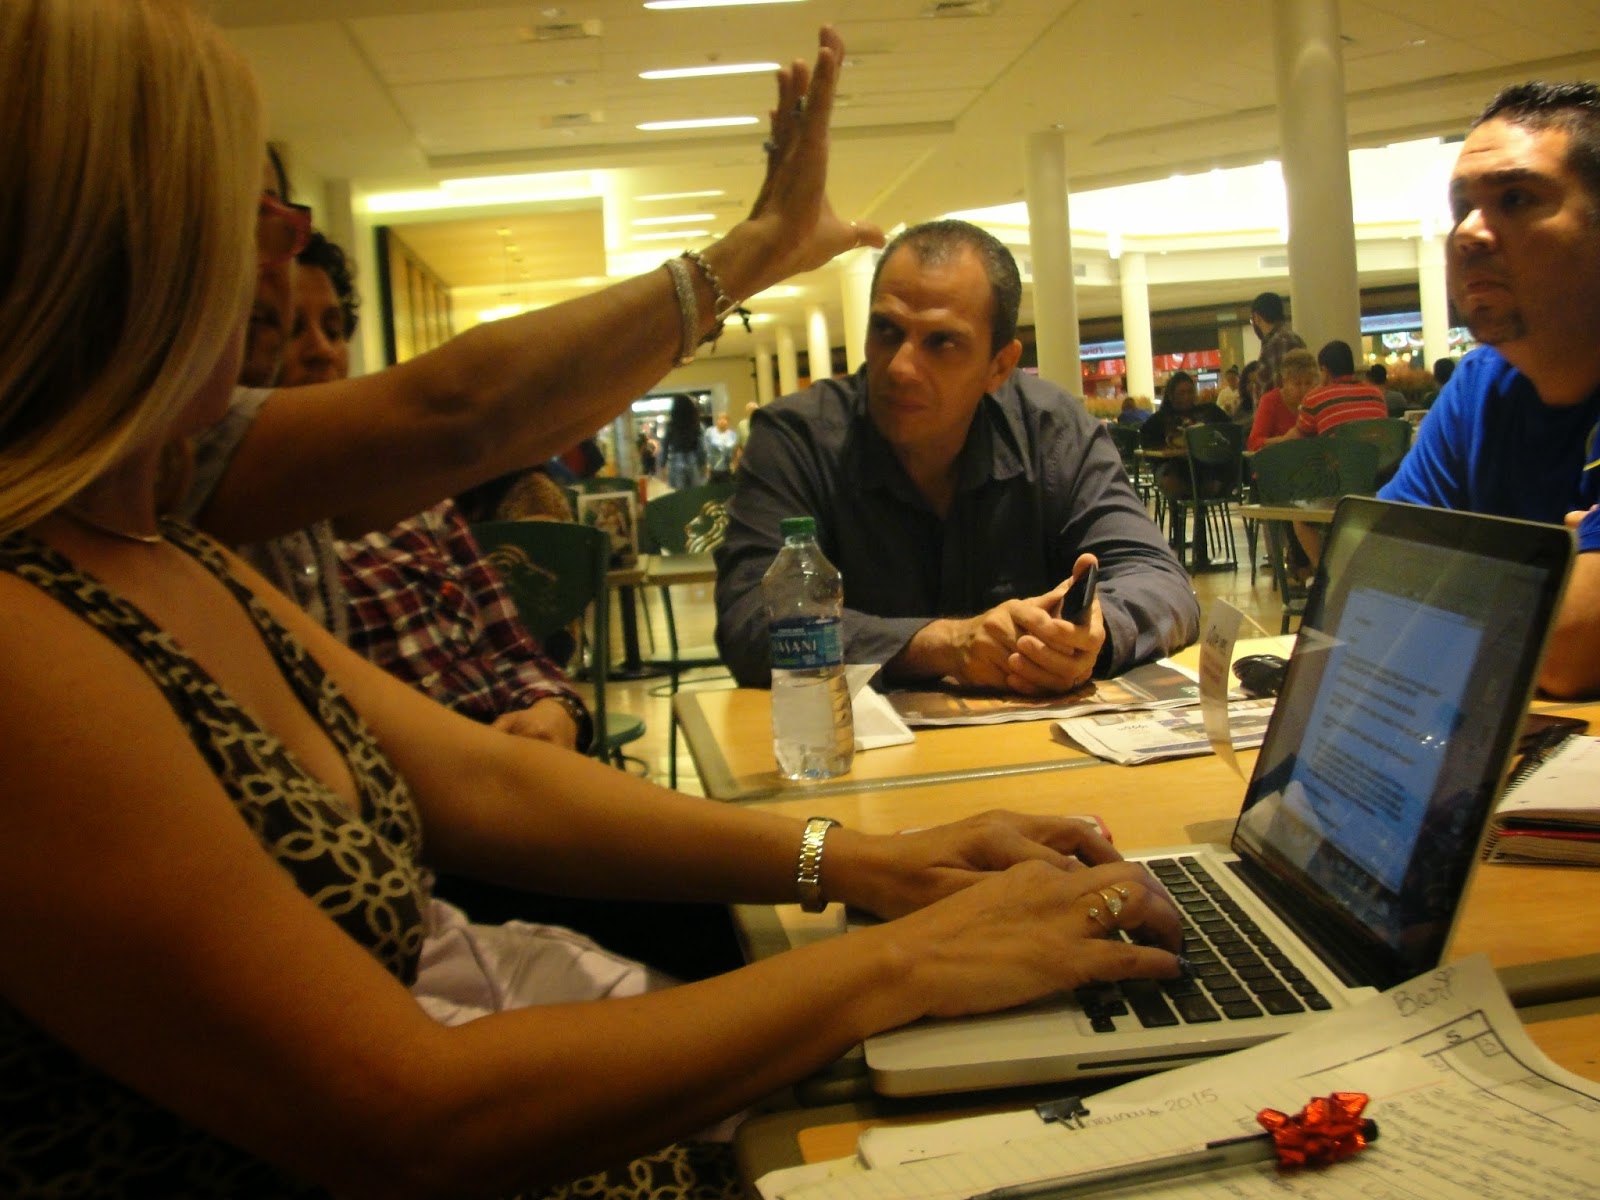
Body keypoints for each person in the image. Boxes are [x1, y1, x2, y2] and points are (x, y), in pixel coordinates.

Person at [0, 4, 1187, 1196]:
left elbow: (483, 779)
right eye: (242, 190)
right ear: (100, 247)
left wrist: (865, 863)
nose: (283, 233)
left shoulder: (161, 551)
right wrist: (906, 960)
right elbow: (409, 1118)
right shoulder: (28, 640)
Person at [715, 219, 1199, 694]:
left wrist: (1088, 633)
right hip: (849, 743)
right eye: (886, 330)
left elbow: (1160, 581)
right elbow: (751, 617)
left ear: (999, 366)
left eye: (941, 342)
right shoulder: (797, 439)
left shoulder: (1052, 432)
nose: (900, 367)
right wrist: (940, 645)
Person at [1380, 80, 1600, 700]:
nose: (1469, 233)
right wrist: (1551, 576)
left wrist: (1459, 584)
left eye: (1516, 198)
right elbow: (1371, 590)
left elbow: (1569, 650)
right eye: (1462, 208)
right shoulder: (1477, 389)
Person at [1139, 369, 1230, 499]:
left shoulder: (1210, 412)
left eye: (1190, 392)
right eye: (1181, 393)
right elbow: (1147, 447)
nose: (1187, 397)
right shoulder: (1158, 420)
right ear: (1171, 396)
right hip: (1173, 469)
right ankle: (1182, 509)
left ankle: (1199, 504)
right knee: (1171, 477)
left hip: (1206, 468)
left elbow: (1229, 432)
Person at [1296, 340, 1388, 436]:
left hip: (1339, 446)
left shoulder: (1315, 399)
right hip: (1377, 445)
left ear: (1324, 371)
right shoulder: (1376, 394)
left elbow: (1299, 437)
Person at [1247, 348, 1319, 452]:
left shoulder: (1317, 401)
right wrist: (1284, 440)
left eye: (1308, 383)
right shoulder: (1270, 401)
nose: (1303, 389)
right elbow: (1253, 443)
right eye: (1297, 384)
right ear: (1284, 382)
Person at [1249, 291, 1306, 388]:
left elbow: (1280, 386)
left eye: (1252, 320)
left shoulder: (1278, 342)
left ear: (1257, 317)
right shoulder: (1291, 338)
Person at [662, 392, 709, 490]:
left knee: (679, 494)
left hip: (676, 460)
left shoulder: (671, 425)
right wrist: (704, 463)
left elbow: (665, 445)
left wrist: (663, 464)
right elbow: (702, 447)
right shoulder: (696, 425)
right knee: (695, 492)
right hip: (693, 459)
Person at [703, 410, 741, 483]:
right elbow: (705, 450)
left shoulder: (733, 435)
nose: (722, 421)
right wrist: (706, 467)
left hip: (727, 469)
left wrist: (735, 466)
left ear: (728, 421)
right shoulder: (709, 432)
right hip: (712, 468)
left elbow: (735, 451)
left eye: (725, 419)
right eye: (720, 419)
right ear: (717, 421)